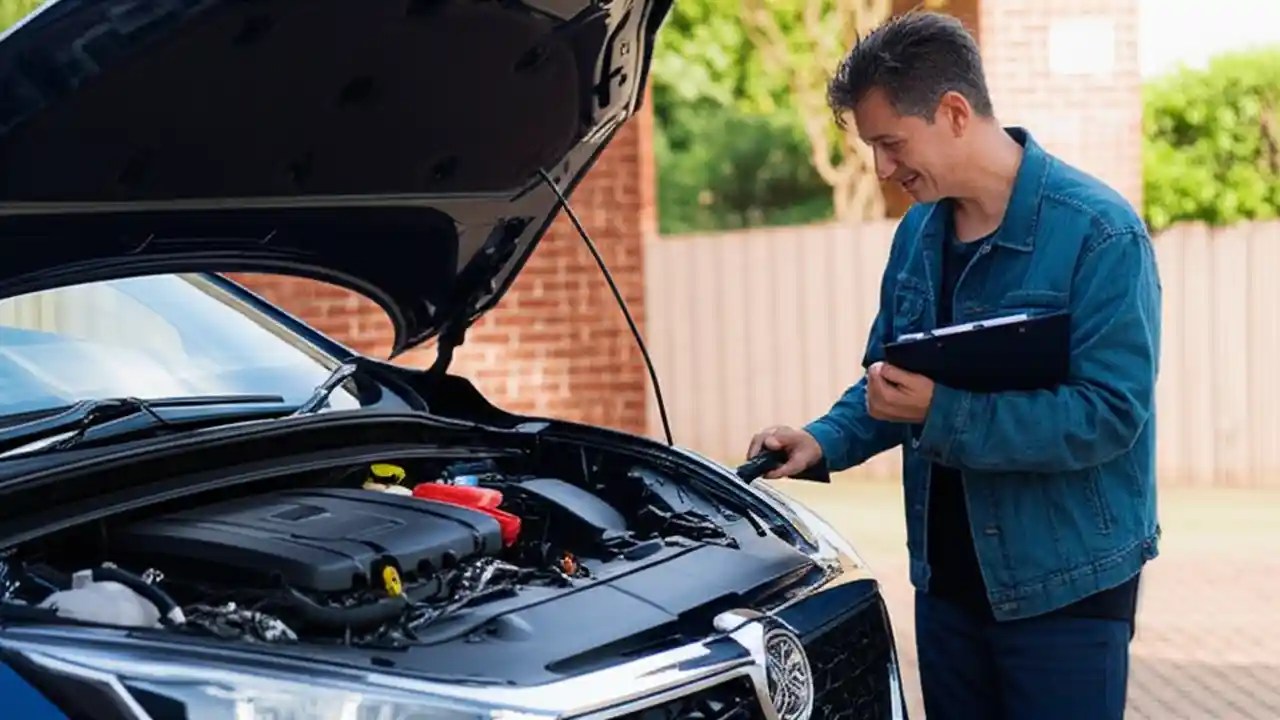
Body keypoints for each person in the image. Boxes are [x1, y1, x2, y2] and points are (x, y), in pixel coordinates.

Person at [746, 11, 1161, 720]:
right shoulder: (918, 232)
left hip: (1067, 594)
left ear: (955, 112)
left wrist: (944, 413)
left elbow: (1109, 415)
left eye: (890, 143)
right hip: (946, 594)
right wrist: (821, 439)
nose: (882, 168)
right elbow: (888, 378)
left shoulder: (1100, 233)